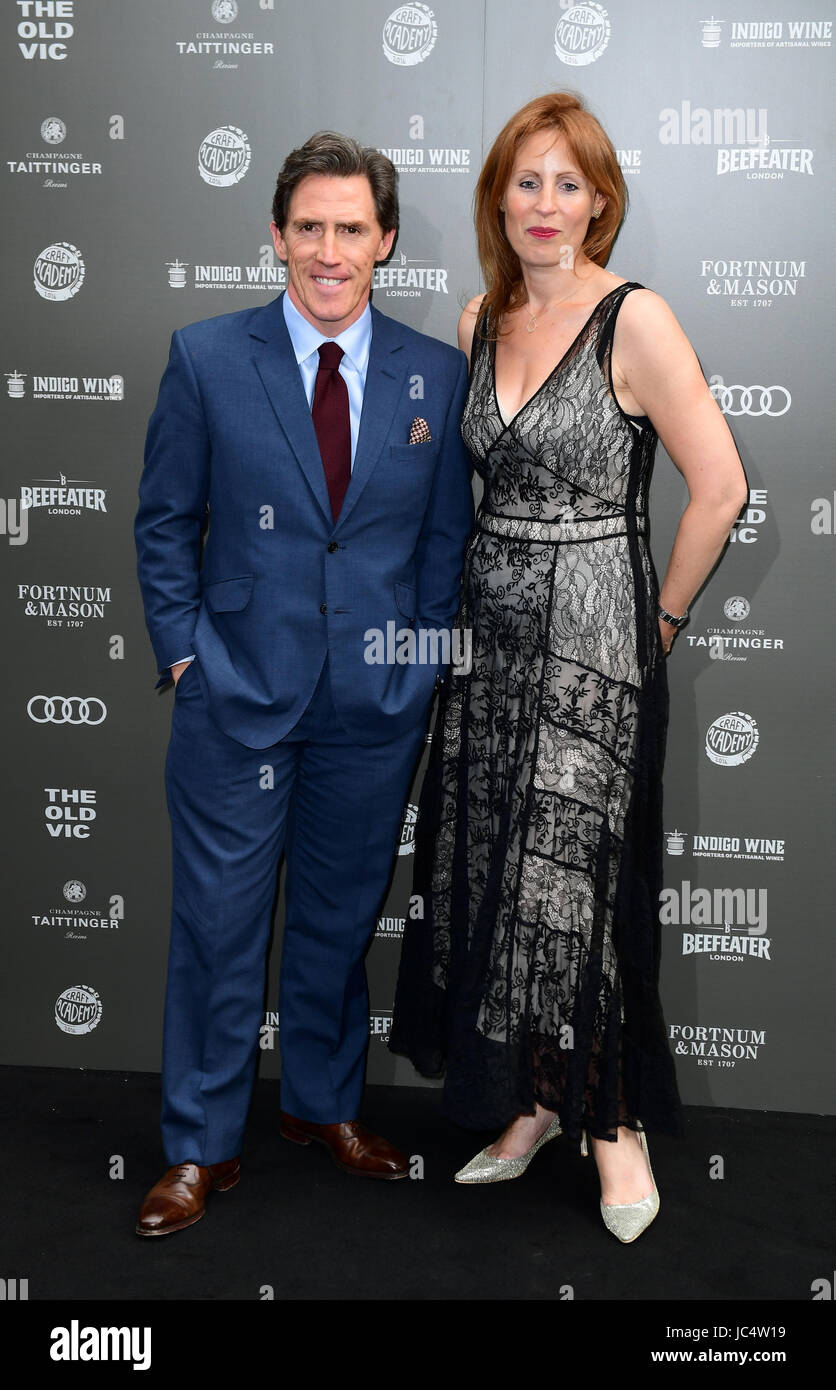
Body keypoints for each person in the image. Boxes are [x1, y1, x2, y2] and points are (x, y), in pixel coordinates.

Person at [389, 93, 748, 1242]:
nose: (544, 205)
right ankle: (532, 1104)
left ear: (600, 200)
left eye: (567, 183)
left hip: (595, 630)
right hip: (488, 636)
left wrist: (665, 620)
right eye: (524, 181)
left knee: (577, 888)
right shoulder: (476, 319)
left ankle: (611, 1126)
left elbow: (720, 486)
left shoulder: (632, 318)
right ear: (498, 194)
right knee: (499, 867)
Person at [133, 131, 474, 1236]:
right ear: (275, 237)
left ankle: (323, 1108)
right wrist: (187, 655)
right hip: (236, 695)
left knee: (334, 923)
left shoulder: (434, 372)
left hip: (371, 710)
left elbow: (441, 550)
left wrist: (414, 676)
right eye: (309, 228)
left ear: (384, 244)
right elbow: (164, 522)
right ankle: (197, 1143)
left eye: (352, 230)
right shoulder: (204, 357)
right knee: (219, 927)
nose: (329, 251)